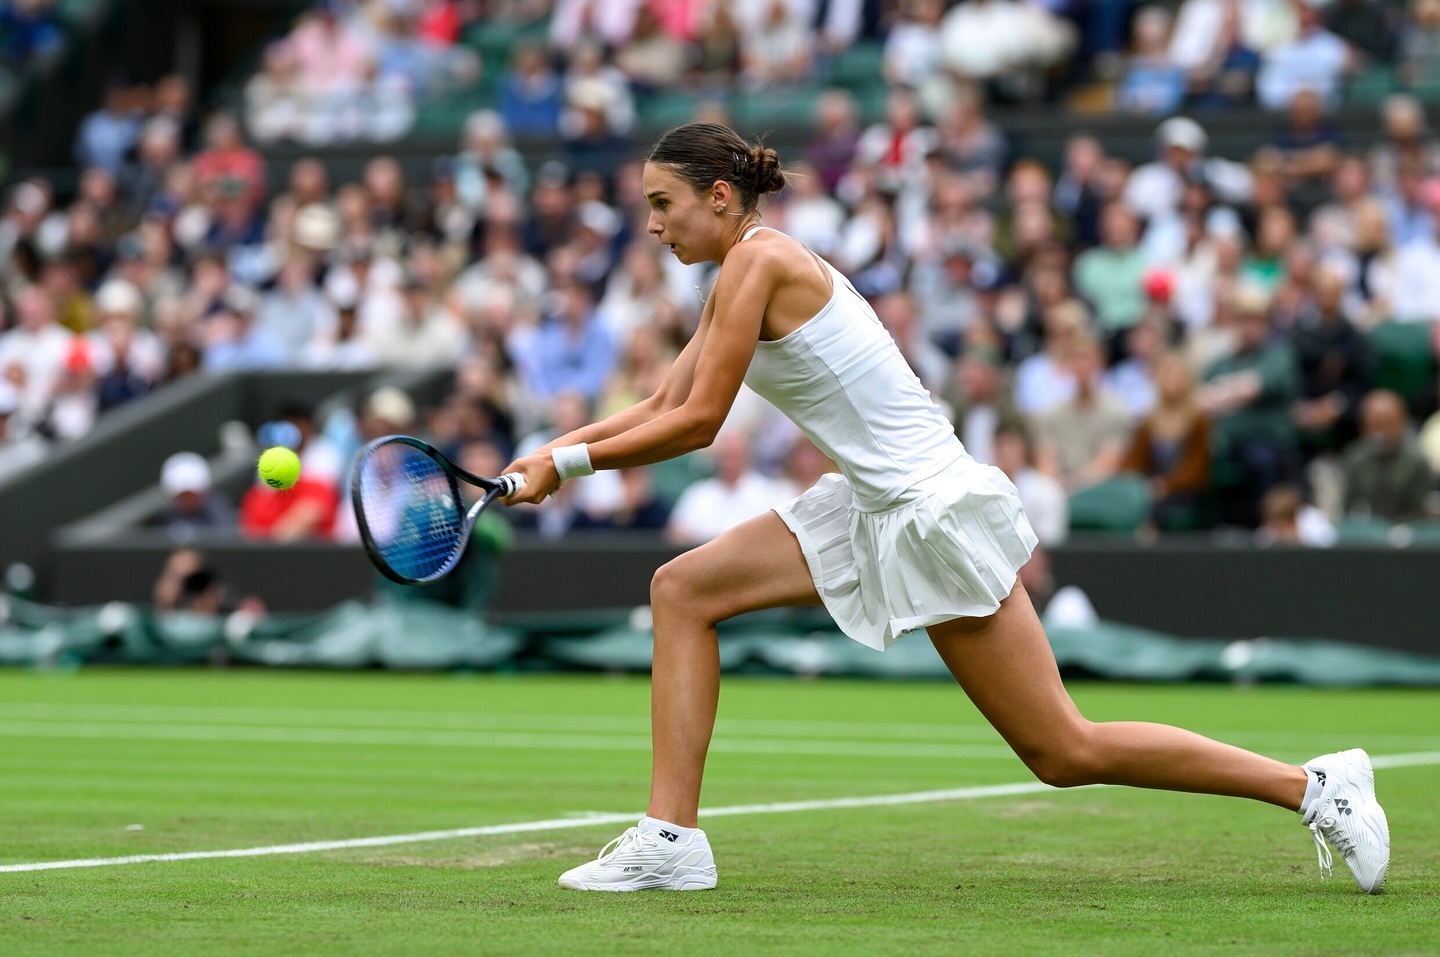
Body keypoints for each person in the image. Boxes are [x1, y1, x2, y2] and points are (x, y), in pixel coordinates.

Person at [498, 123, 1388, 894]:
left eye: (663, 203)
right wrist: (548, 454)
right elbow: (662, 401)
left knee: (1063, 750)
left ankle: (1314, 787)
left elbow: (697, 423)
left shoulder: (760, 260)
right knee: (682, 590)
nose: (654, 224)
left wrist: (567, 462)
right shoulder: (735, 272)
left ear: (720, 197)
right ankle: (672, 839)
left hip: (928, 509)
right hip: (868, 503)